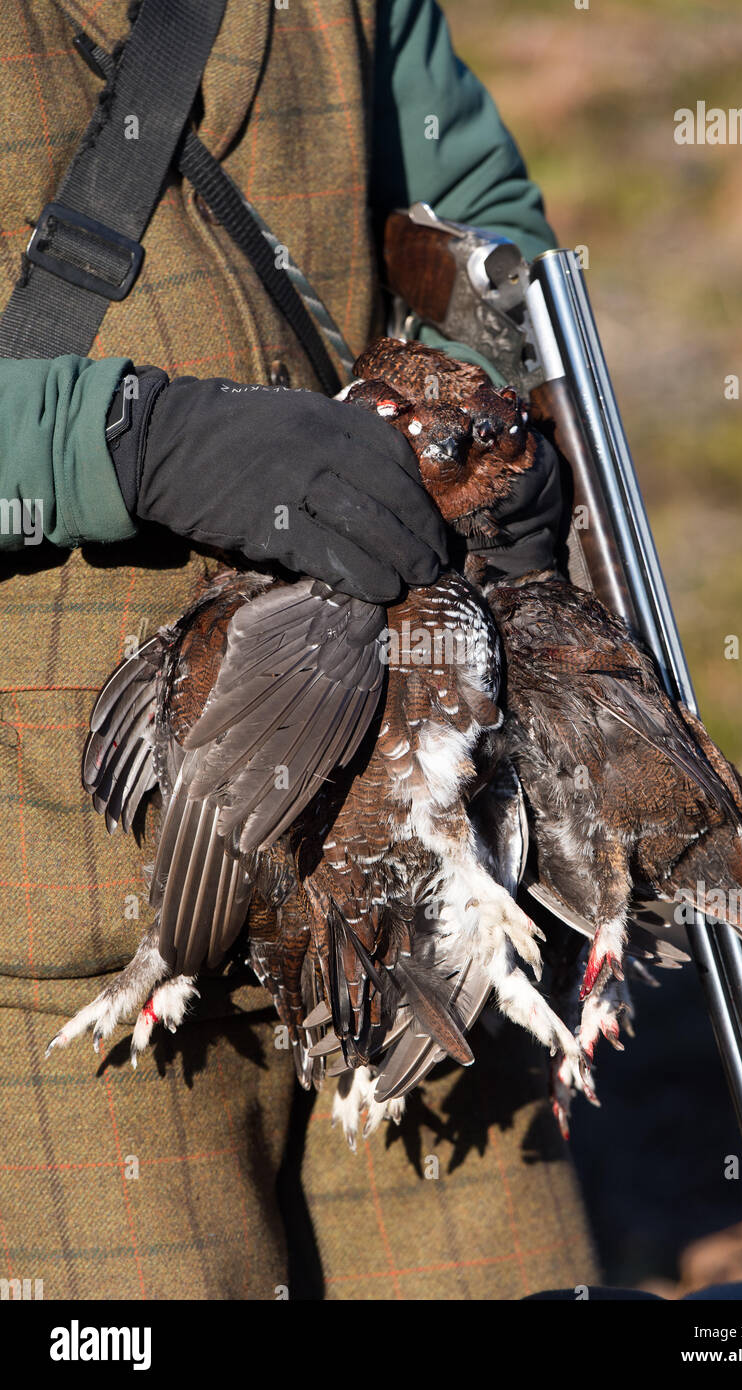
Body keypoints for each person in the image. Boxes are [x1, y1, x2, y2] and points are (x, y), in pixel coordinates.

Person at [0, 0, 596, 1300]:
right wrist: (124, 441)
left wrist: (455, 414)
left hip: (428, 862)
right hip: (54, 914)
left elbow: (485, 218)